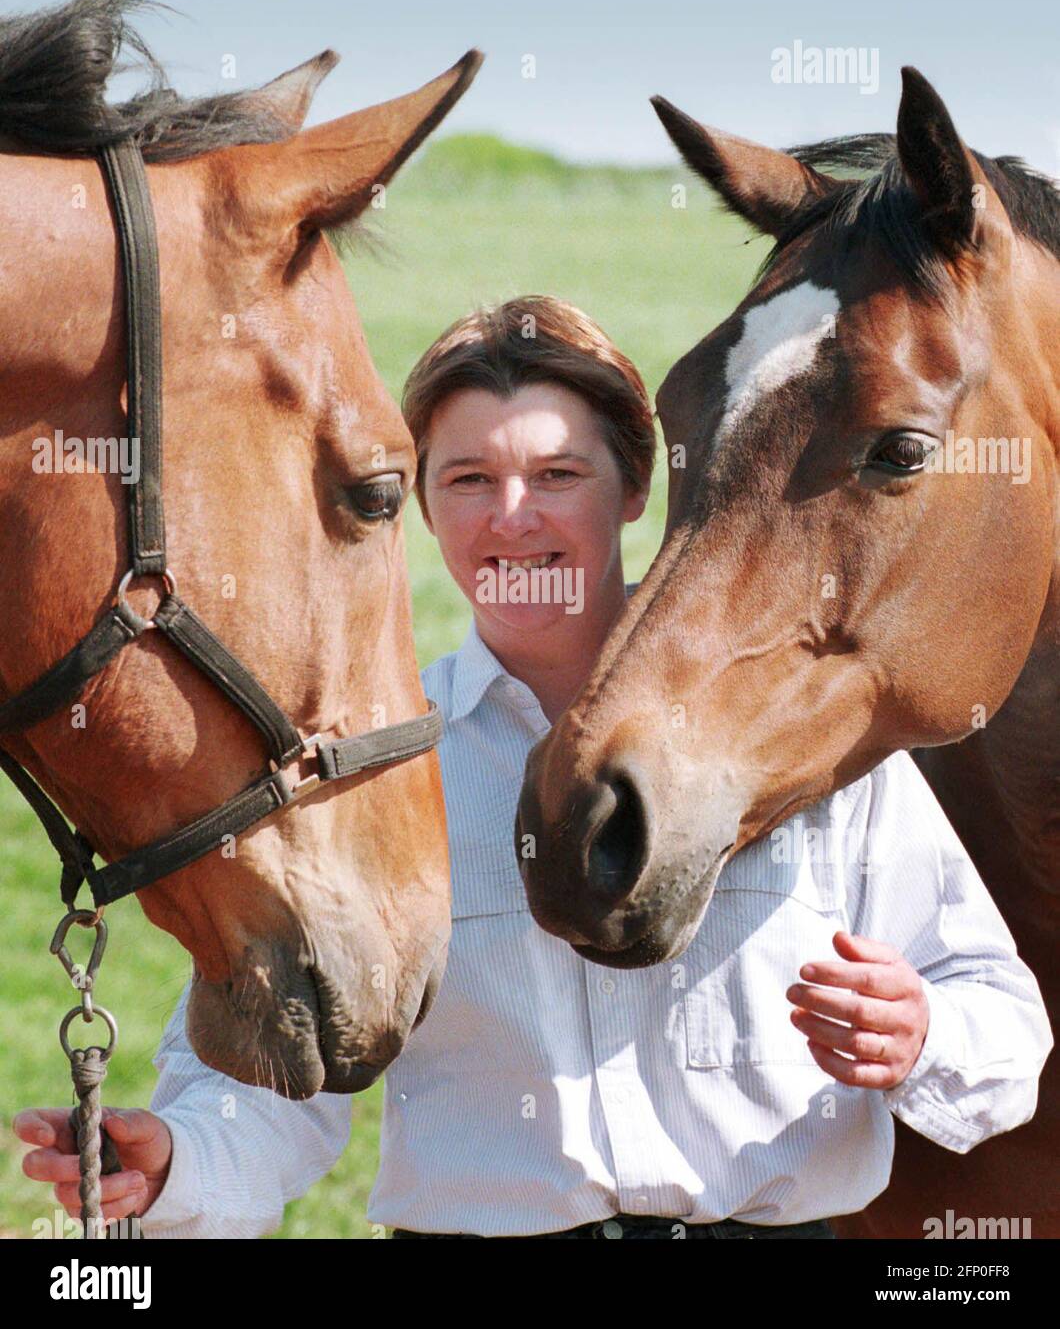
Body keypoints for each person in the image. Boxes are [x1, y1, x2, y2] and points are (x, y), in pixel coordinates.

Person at [15, 296, 1052, 1240]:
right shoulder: (360, 773)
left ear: (636, 487)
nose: (513, 516)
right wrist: (179, 1158)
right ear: (422, 506)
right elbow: (273, 1079)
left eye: (558, 475)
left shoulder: (795, 735)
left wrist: (922, 1031)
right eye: (469, 480)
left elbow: (1001, 1021)